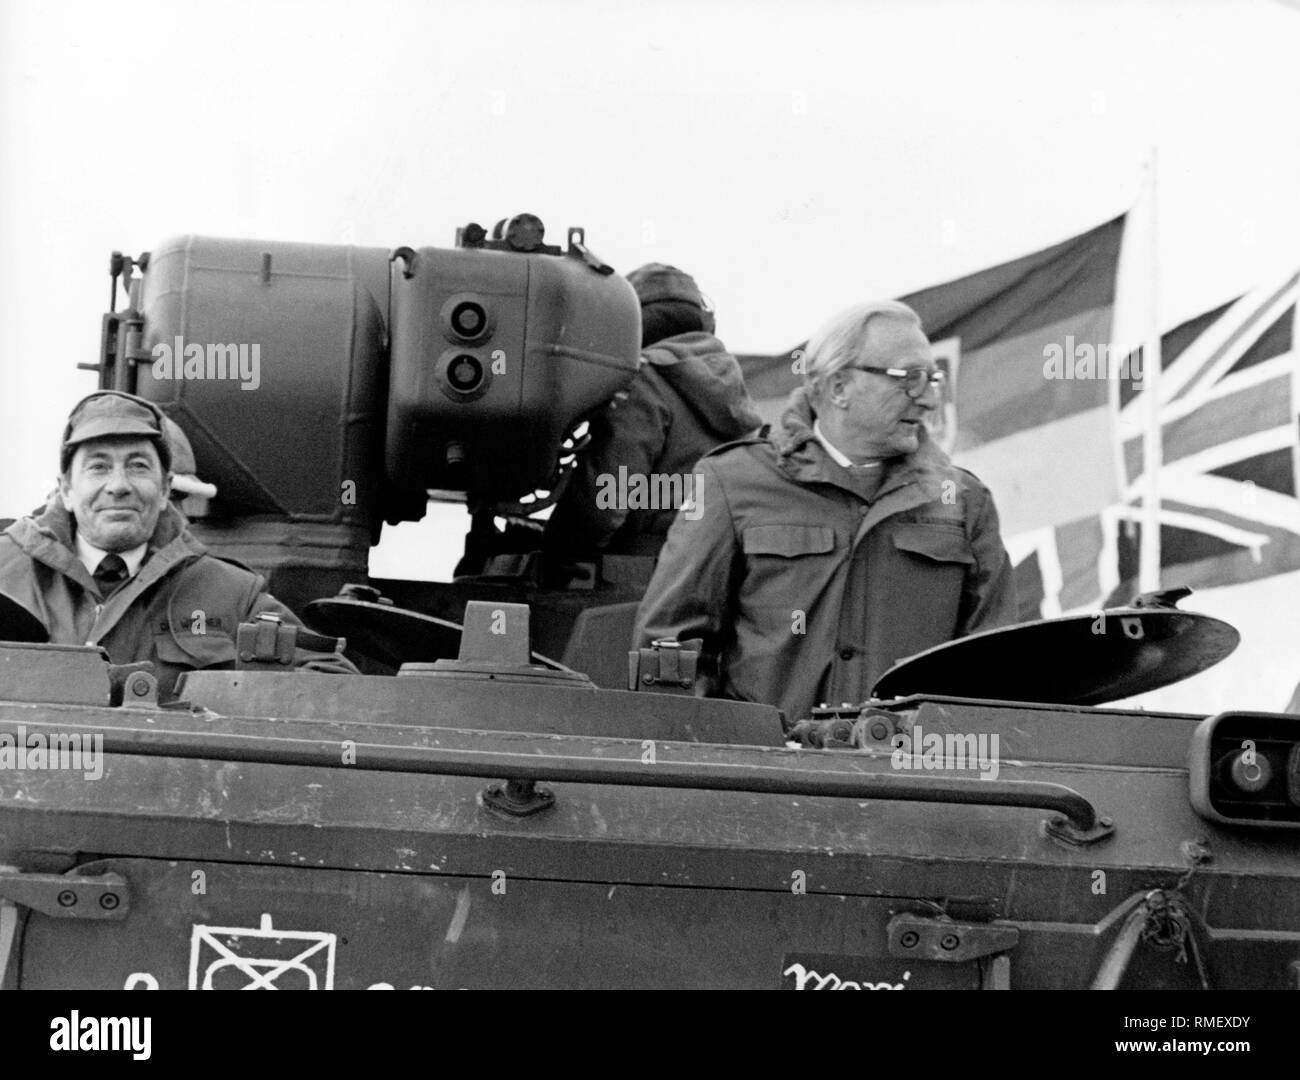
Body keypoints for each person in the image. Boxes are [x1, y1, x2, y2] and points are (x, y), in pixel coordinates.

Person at [634, 300, 1018, 725]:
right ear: (838, 387)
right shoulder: (732, 483)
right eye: (909, 378)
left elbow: (995, 668)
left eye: (932, 379)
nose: (927, 398)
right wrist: (718, 756)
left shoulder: (964, 501)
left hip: (917, 783)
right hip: (766, 780)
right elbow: (669, 650)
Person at [0, 390, 356, 699]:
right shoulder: (5, 570)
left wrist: (221, 717)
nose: (118, 485)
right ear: (66, 489)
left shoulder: (230, 593)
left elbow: (336, 683)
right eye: (98, 467)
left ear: (166, 490)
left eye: (138, 466)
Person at [542, 262, 762, 576]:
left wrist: (561, 547)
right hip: (718, 567)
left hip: (644, 572)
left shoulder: (645, 380)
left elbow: (609, 495)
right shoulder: (729, 380)